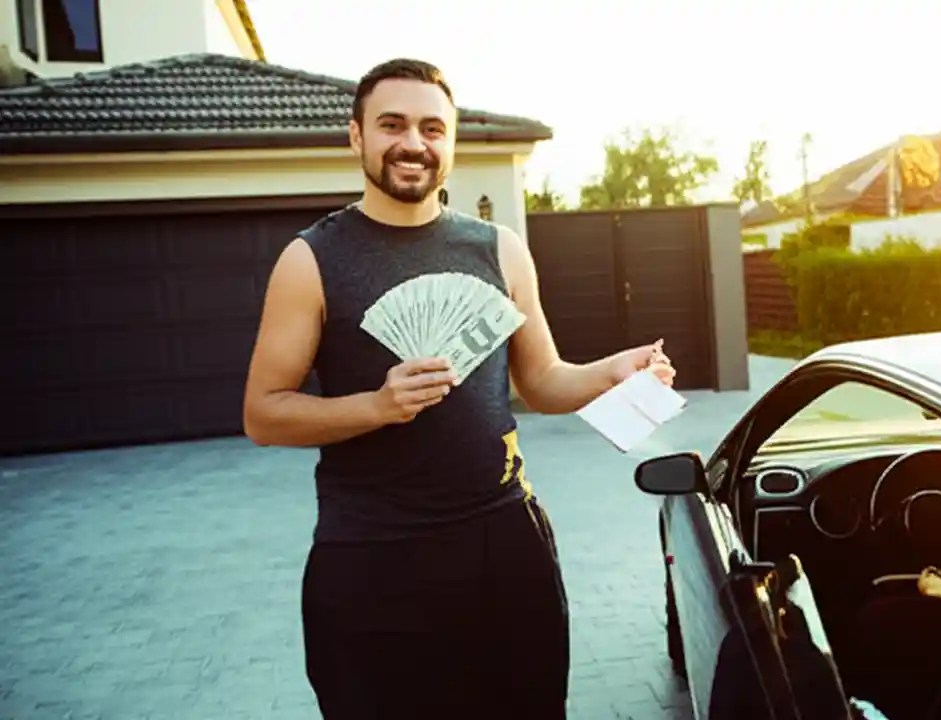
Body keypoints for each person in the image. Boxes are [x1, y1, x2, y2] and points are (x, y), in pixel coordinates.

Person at [241, 57, 676, 719]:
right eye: (392, 124)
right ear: (356, 136)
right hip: (372, 556)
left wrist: (612, 373)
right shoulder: (311, 260)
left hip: (505, 543)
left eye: (431, 128)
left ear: (450, 143)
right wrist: (377, 406)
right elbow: (264, 416)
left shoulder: (498, 248)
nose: (414, 143)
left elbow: (543, 382)